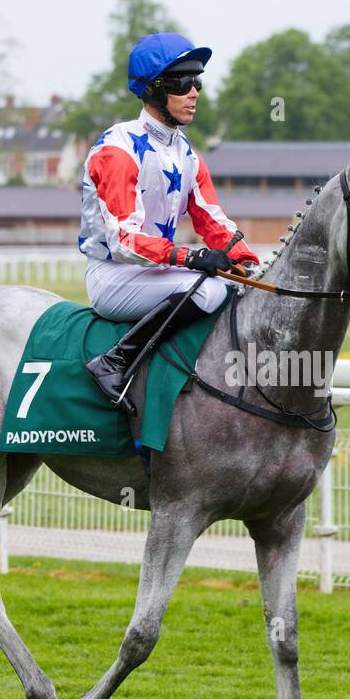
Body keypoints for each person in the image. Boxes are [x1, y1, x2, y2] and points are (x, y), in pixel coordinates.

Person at [78, 31, 258, 413]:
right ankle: (115, 361)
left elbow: (212, 218)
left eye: (197, 82)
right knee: (209, 291)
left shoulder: (185, 151)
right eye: (182, 83)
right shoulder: (118, 149)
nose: (194, 92)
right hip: (114, 276)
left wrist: (248, 262)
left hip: (155, 273)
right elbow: (124, 242)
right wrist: (190, 258)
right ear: (154, 90)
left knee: (238, 286)